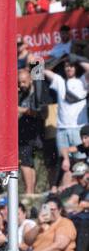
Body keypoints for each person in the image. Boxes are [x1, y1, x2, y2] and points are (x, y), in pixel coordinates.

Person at [47, 57, 89, 187]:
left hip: (79, 128)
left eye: (71, 66)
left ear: (76, 67)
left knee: (80, 162)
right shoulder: (60, 81)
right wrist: (59, 60)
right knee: (64, 163)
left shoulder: (82, 81)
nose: (69, 68)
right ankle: (63, 190)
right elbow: (41, 69)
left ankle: (80, 190)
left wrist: (76, 59)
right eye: (66, 66)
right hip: (62, 129)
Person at [17, 66, 49, 194]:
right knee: (27, 162)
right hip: (24, 133)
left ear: (31, 79)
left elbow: (41, 112)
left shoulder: (38, 93)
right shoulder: (21, 94)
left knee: (26, 163)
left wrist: (22, 110)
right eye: (19, 82)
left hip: (35, 133)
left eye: (24, 82)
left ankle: (29, 192)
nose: (22, 85)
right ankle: (31, 192)